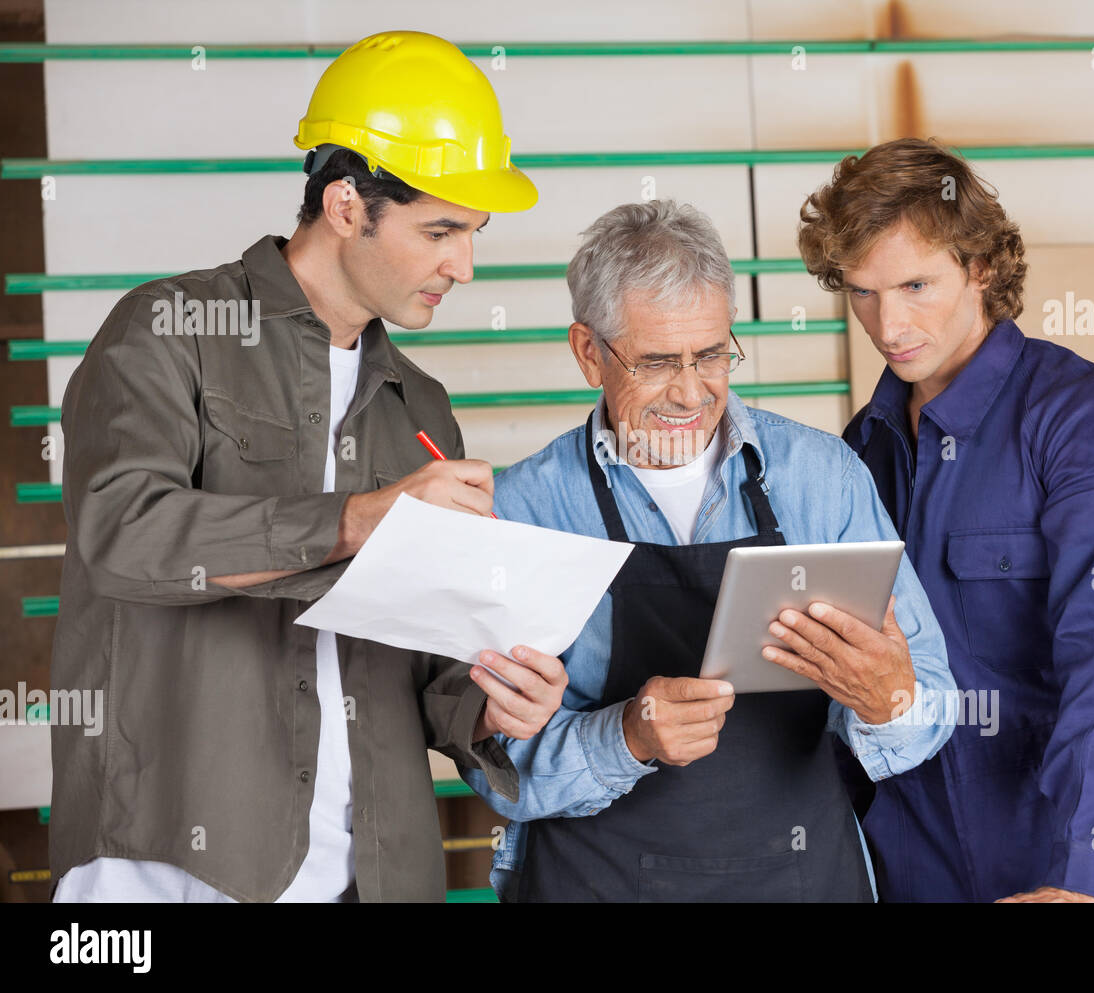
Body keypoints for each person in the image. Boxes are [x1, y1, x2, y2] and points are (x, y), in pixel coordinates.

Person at [50, 31, 567, 903]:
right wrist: (357, 518)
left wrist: (489, 702)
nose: (464, 265)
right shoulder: (168, 331)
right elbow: (124, 533)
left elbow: (423, 658)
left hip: (373, 872)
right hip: (169, 864)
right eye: (440, 229)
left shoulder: (421, 407)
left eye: (472, 233)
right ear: (343, 205)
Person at [460, 199, 957, 902]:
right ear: (588, 352)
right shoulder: (526, 509)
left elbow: (932, 701)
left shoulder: (822, 479)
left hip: (800, 879)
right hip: (598, 883)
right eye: (658, 362)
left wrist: (887, 701)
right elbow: (498, 769)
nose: (692, 392)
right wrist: (626, 736)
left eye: (713, 355)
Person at [798, 137, 1094, 902]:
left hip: (1088, 861)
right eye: (861, 291)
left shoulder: (1083, 424)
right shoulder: (861, 450)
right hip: (920, 860)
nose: (888, 324)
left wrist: (1081, 880)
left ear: (980, 267)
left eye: (916, 284)